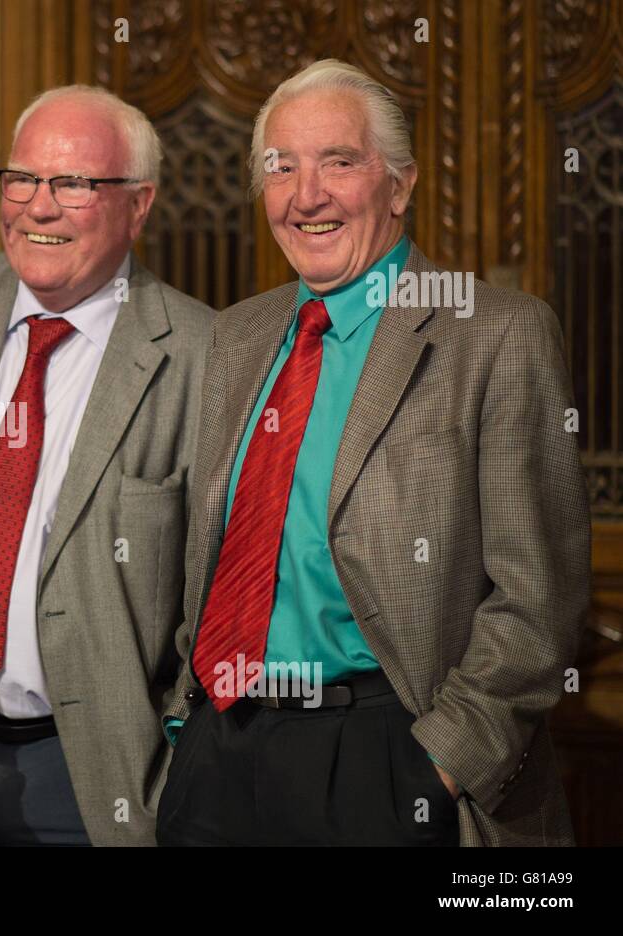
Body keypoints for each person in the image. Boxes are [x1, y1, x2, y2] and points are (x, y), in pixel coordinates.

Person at [157, 59, 590, 846]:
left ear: (400, 184)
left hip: (384, 760)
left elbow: (540, 598)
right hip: (220, 758)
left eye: (339, 162)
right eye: (280, 167)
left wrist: (438, 764)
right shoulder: (236, 337)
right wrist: (190, 731)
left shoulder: (492, 334)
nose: (306, 194)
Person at [0, 85, 214, 845]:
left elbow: (217, 591)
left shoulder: (203, 354)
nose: (38, 207)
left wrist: (172, 750)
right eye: (22, 179)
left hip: (91, 780)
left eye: (73, 184)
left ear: (139, 205)